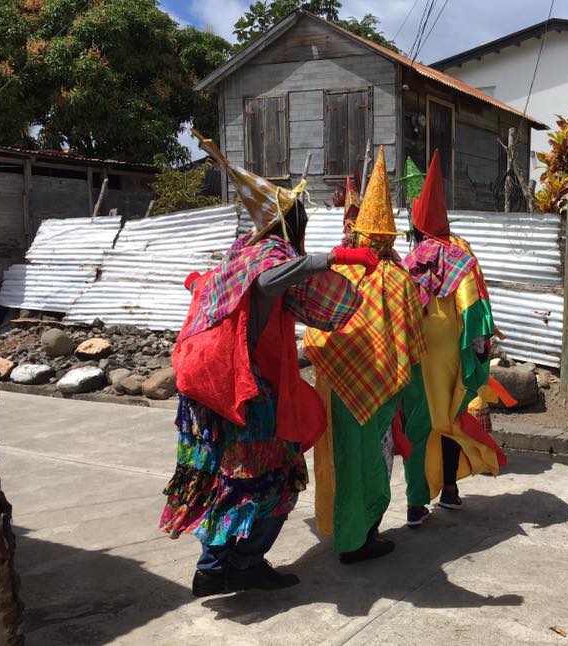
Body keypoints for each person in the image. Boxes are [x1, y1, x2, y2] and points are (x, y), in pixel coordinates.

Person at [159, 134, 377, 597]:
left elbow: (219, 291)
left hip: (210, 391)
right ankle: (243, 563)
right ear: (288, 224)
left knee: (225, 478)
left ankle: (213, 568)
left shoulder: (236, 257)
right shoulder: (264, 261)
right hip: (245, 391)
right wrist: (334, 257)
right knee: (273, 480)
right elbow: (275, 277)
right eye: (300, 219)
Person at [303, 147, 432, 563]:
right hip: (380, 388)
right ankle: (361, 538)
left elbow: (315, 332)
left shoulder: (339, 269)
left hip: (340, 382)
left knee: (342, 459)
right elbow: (414, 343)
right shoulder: (399, 278)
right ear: (391, 238)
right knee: (375, 461)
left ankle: (345, 530)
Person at [401, 151, 507, 524]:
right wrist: (480, 354)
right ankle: (449, 490)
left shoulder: (410, 260)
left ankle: (415, 505)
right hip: (450, 353)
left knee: (417, 423)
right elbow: (473, 308)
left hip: (416, 351)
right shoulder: (460, 254)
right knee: (450, 419)